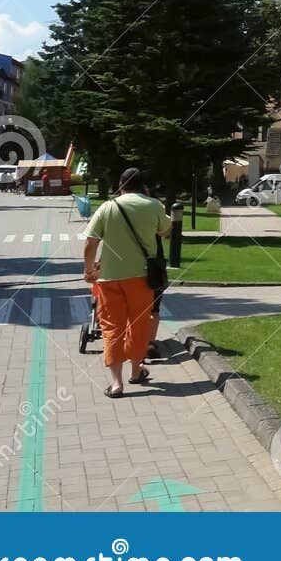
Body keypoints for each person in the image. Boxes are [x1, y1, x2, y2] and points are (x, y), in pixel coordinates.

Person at [82, 168, 171, 398]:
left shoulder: (107, 207)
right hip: (142, 278)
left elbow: (90, 243)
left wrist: (89, 270)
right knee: (139, 325)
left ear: (121, 185)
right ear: (143, 186)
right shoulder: (153, 205)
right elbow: (166, 230)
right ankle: (136, 371)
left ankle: (116, 384)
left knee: (112, 327)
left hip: (109, 278)